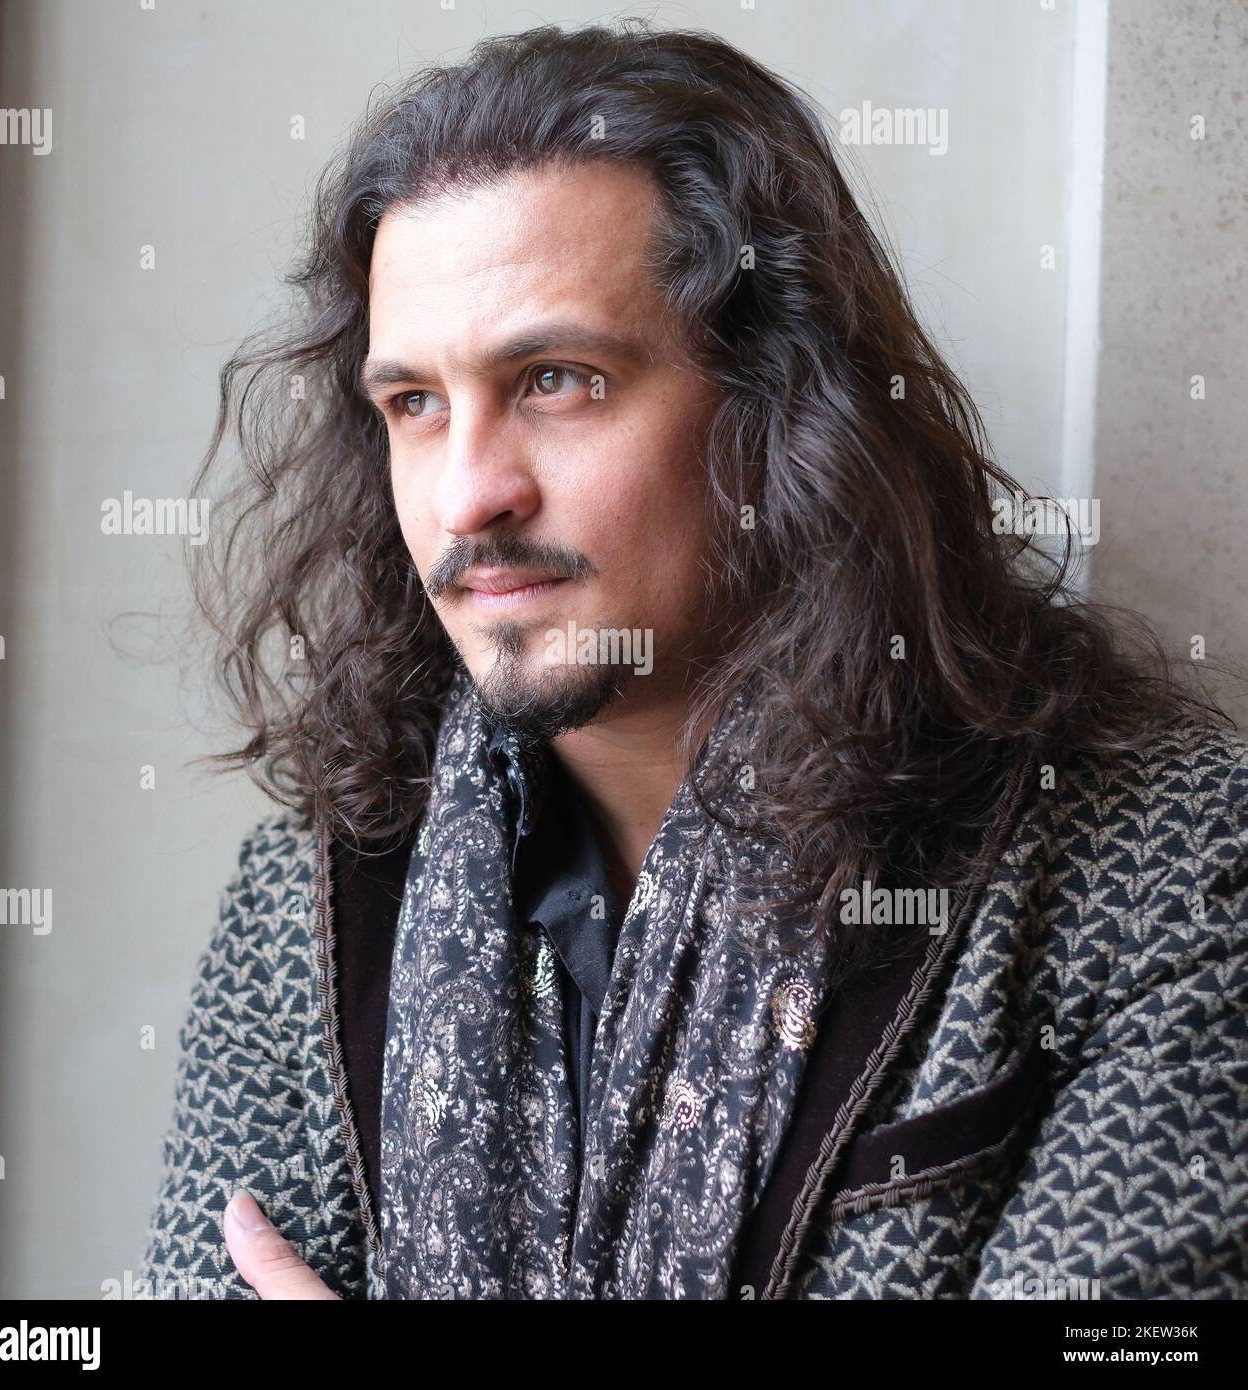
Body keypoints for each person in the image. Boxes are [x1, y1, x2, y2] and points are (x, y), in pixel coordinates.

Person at [139, 21, 1248, 1300]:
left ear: (780, 410)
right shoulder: (315, 901)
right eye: (417, 405)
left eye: (557, 379)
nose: (466, 494)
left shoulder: (1170, 876)